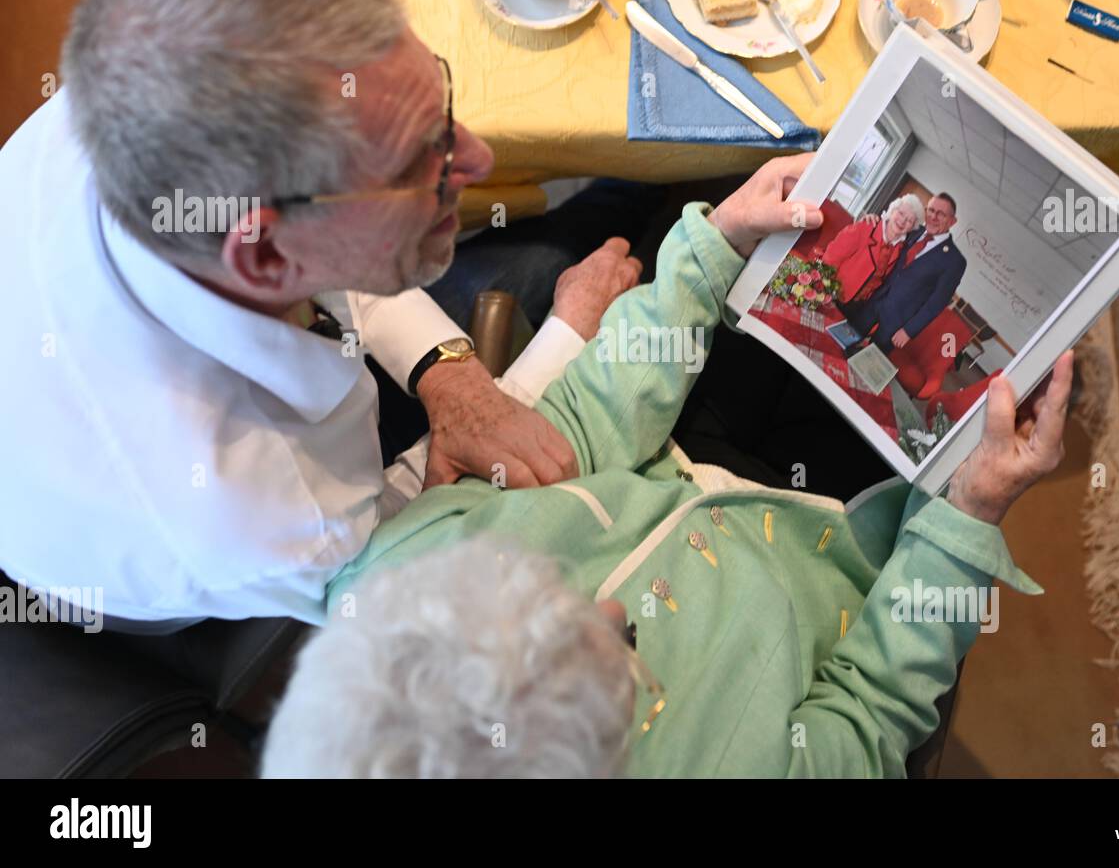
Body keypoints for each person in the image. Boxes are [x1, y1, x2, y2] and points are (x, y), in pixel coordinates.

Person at [261, 155, 1075, 778]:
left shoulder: (396, 579)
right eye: (619, 667)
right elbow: (873, 707)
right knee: (1016, 387)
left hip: (679, 441)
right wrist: (970, 513)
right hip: (843, 539)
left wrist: (712, 243)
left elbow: (577, 434)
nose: (615, 610)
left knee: (742, 199)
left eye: (560, 594)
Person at [0, 0, 641, 627]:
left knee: (534, 256)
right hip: (192, 565)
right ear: (268, 258)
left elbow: (319, 240)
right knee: (544, 268)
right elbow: (396, 543)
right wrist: (567, 335)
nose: (479, 157)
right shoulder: (272, 510)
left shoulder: (136, 87)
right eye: (415, 162)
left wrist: (452, 373)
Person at [839, 192, 965, 354]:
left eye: (941, 214)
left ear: (952, 221)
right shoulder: (913, 230)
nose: (933, 217)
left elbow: (936, 303)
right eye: (931, 210)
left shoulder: (955, 261)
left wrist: (909, 331)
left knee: (866, 362)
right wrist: (873, 219)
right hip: (873, 303)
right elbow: (888, 230)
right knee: (842, 341)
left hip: (897, 323)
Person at [819, 193, 922, 304]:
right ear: (892, 210)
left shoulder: (901, 250)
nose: (902, 221)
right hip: (832, 293)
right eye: (901, 213)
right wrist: (822, 287)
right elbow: (833, 255)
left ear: (912, 227)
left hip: (857, 307)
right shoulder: (866, 227)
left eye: (909, 221)